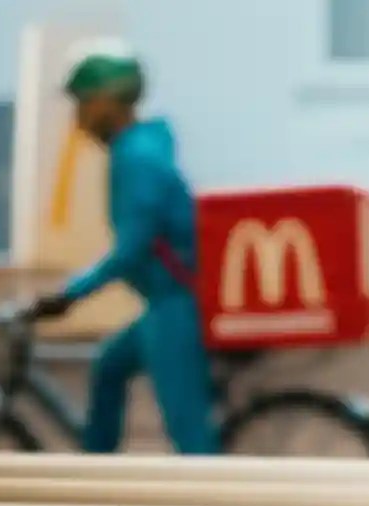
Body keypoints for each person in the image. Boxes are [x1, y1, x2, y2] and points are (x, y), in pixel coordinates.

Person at [31, 39, 219, 455]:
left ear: (106, 102)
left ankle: (216, 492)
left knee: (190, 436)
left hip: (176, 306)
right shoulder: (136, 150)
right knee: (109, 366)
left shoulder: (137, 159)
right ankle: (95, 467)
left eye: (83, 103)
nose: (78, 118)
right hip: (164, 300)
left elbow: (131, 248)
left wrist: (70, 295)